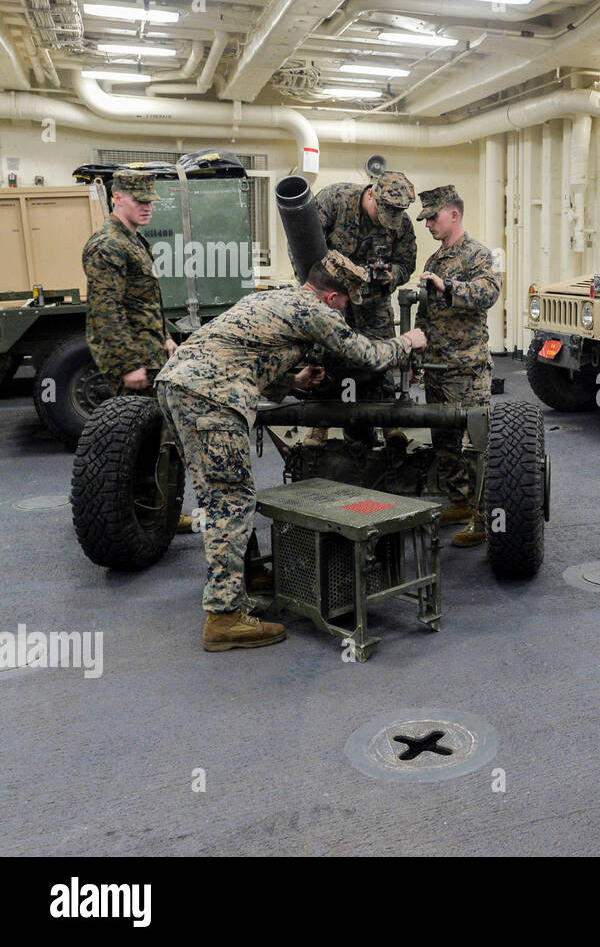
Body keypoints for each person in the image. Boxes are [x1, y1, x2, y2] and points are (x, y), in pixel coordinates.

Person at [155, 251, 427, 652]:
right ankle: (224, 616)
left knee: (219, 496)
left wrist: (294, 379)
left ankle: (240, 583)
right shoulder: (317, 312)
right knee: (231, 500)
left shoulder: (274, 298)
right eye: (346, 301)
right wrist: (407, 341)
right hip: (210, 398)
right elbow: (368, 357)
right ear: (333, 297)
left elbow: (247, 353)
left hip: (177, 387)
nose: (346, 308)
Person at [83, 168, 194, 534]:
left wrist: (163, 336)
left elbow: (142, 302)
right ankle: (145, 517)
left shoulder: (132, 239)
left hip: (149, 354)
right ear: (117, 198)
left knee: (152, 438)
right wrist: (129, 365)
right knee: (137, 445)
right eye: (139, 200)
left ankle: (149, 506)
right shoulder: (108, 245)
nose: (147, 207)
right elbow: (106, 311)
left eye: (150, 200)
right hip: (132, 362)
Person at [414, 185, 501, 549]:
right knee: (444, 444)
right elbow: (426, 311)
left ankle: (483, 516)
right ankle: (460, 502)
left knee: (476, 444)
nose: (429, 224)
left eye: (433, 217)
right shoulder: (434, 260)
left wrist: (447, 285)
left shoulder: (479, 254)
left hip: (467, 368)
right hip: (436, 367)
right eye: (426, 219)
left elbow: (489, 292)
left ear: (454, 214)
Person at [310, 171, 417, 445]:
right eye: (382, 211)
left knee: (383, 355)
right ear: (371, 193)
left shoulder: (401, 225)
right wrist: (319, 288)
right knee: (325, 355)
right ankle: (319, 424)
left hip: (373, 303)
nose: (386, 220)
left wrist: (393, 274)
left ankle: (387, 423)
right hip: (331, 299)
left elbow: (406, 264)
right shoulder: (334, 200)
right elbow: (304, 247)